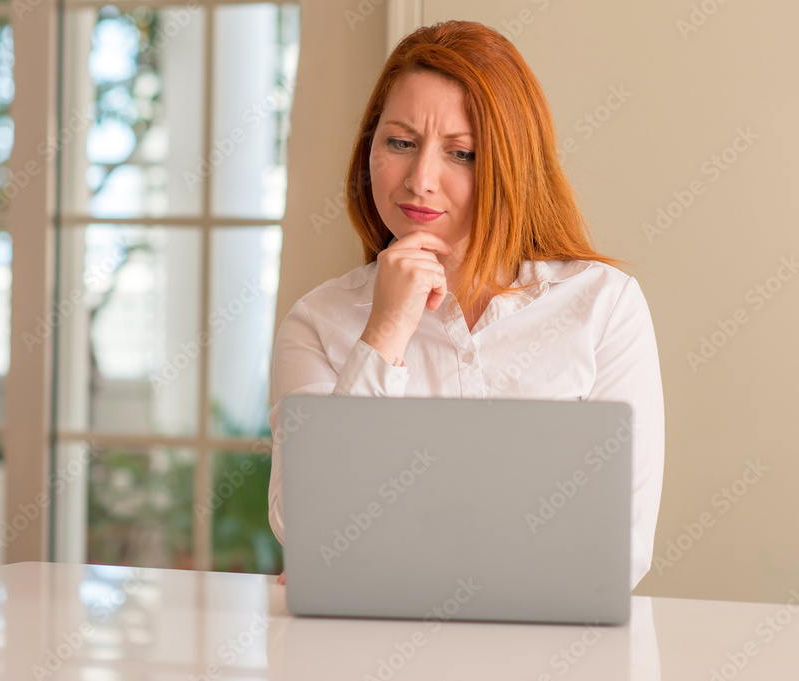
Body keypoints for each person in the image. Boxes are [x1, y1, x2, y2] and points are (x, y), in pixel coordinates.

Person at [267, 20, 664, 589]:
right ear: (369, 150)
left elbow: (618, 550)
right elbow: (307, 528)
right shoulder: (318, 322)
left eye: (462, 153)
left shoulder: (604, 306)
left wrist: (379, 559)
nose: (420, 179)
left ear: (510, 165)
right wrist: (385, 332)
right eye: (400, 143)